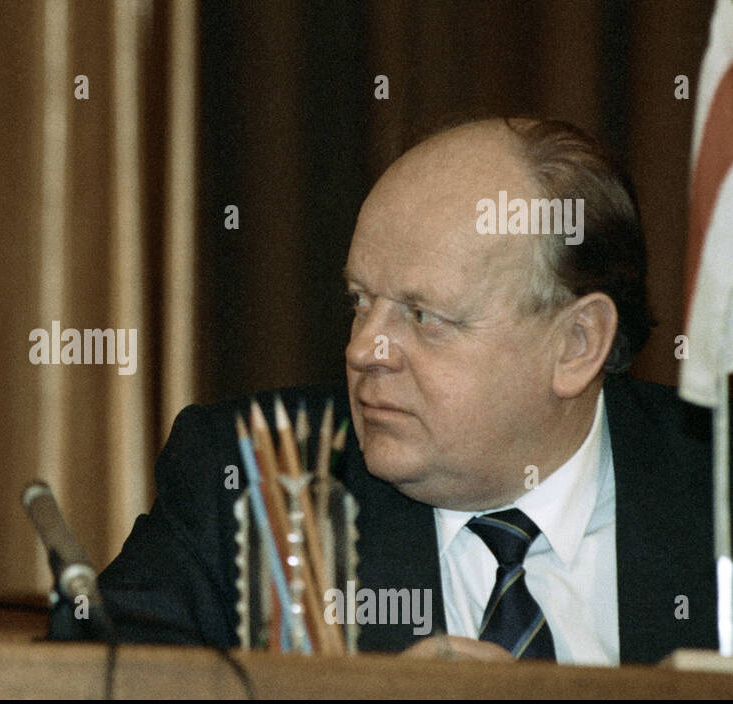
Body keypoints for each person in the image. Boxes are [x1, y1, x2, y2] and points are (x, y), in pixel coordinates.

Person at [55, 117, 717, 665]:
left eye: (424, 316)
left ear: (577, 344)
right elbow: (91, 679)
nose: (363, 349)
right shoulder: (258, 473)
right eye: (360, 301)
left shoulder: (714, 494)